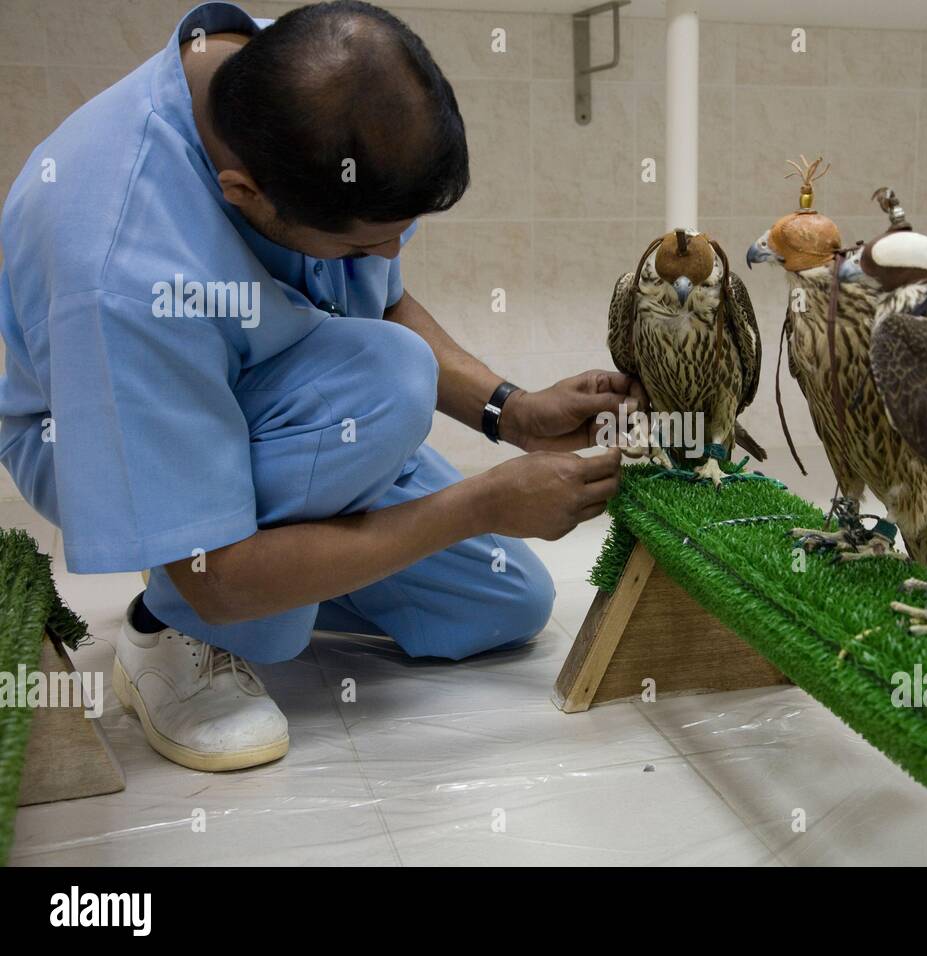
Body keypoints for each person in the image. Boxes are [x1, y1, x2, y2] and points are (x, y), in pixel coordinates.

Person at [0, 0, 640, 772]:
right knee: (388, 380)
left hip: (295, 403)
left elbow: (384, 297)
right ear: (243, 195)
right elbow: (227, 577)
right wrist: (485, 502)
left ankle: (265, 541)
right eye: (366, 241)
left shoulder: (311, 82)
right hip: (100, 434)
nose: (390, 252)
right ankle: (168, 623)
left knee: (505, 606)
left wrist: (515, 412)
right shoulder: (120, 270)